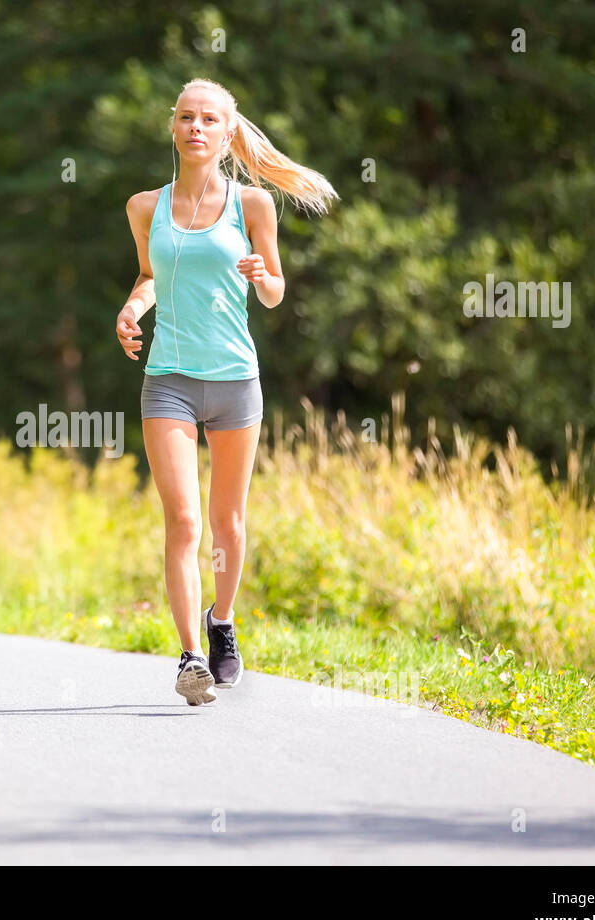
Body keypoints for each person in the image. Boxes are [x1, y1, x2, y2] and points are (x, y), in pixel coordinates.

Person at [117, 78, 338, 706]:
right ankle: (190, 658)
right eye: (186, 117)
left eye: (208, 120)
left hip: (237, 381)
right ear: (173, 127)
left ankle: (222, 622)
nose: (195, 128)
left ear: (226, 131)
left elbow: (274, 291)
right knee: (183, 520)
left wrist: (263, 273)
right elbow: (148, 276)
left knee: (228, 525)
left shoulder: (254, 207)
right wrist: (132, 309)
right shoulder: (144, 207)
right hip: (169, 381)